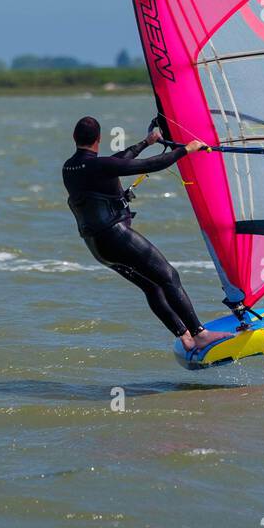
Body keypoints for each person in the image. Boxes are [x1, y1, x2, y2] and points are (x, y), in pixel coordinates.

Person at [62, 115, 228, 353]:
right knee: (169, 277)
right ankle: (200, 334)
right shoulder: (101, 166)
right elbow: (148, 165)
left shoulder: (70, 167)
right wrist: (187, 150)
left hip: (97, 246)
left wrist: (147, 142)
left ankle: (185, 337)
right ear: (99, 138)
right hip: (116, 237)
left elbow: (118, 162)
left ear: (74, 138)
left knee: (152, 287)